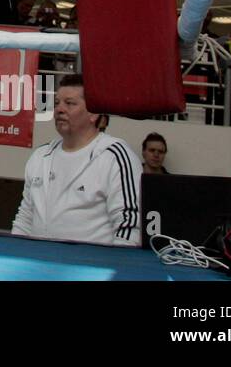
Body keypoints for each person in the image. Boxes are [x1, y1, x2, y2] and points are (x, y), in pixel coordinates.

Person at [12, 74, 141, 247]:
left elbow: (129, 225)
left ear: (93, 114)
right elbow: (25, 217)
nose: (59, 109)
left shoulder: (115, 155)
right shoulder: (40, 156)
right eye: (57, 103)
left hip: (90, 268)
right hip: (38, 266)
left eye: (70, 103)